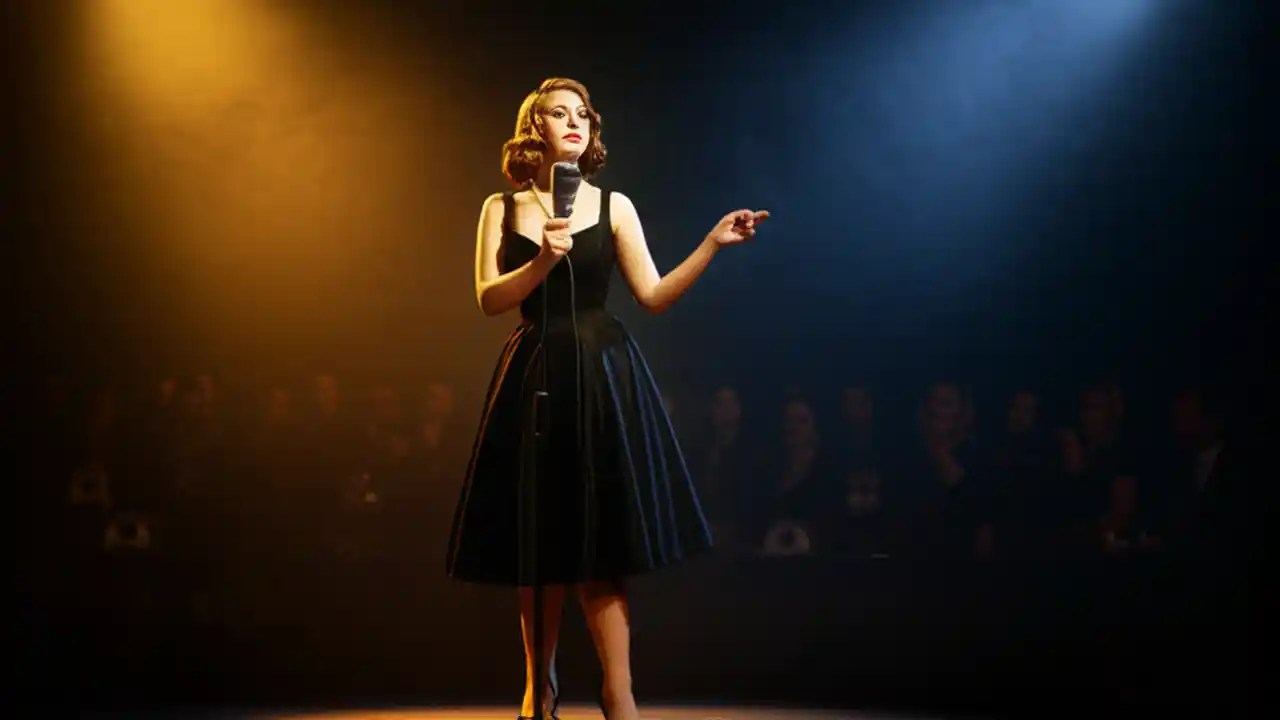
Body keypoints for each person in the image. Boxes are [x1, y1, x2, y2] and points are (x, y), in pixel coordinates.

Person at [444, 77, 769, 720]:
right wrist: (542, 261)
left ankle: (618, 690)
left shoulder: (614, 205)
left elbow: (652, 294)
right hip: (535, 371)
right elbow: (487, 298)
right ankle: (539, 685)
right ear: (534, 129)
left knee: (602, 540)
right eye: (558, 113)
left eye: (583, 114)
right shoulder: (500, 207)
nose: (574, 121)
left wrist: (711, 244)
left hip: (599, 376)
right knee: (538, 545)